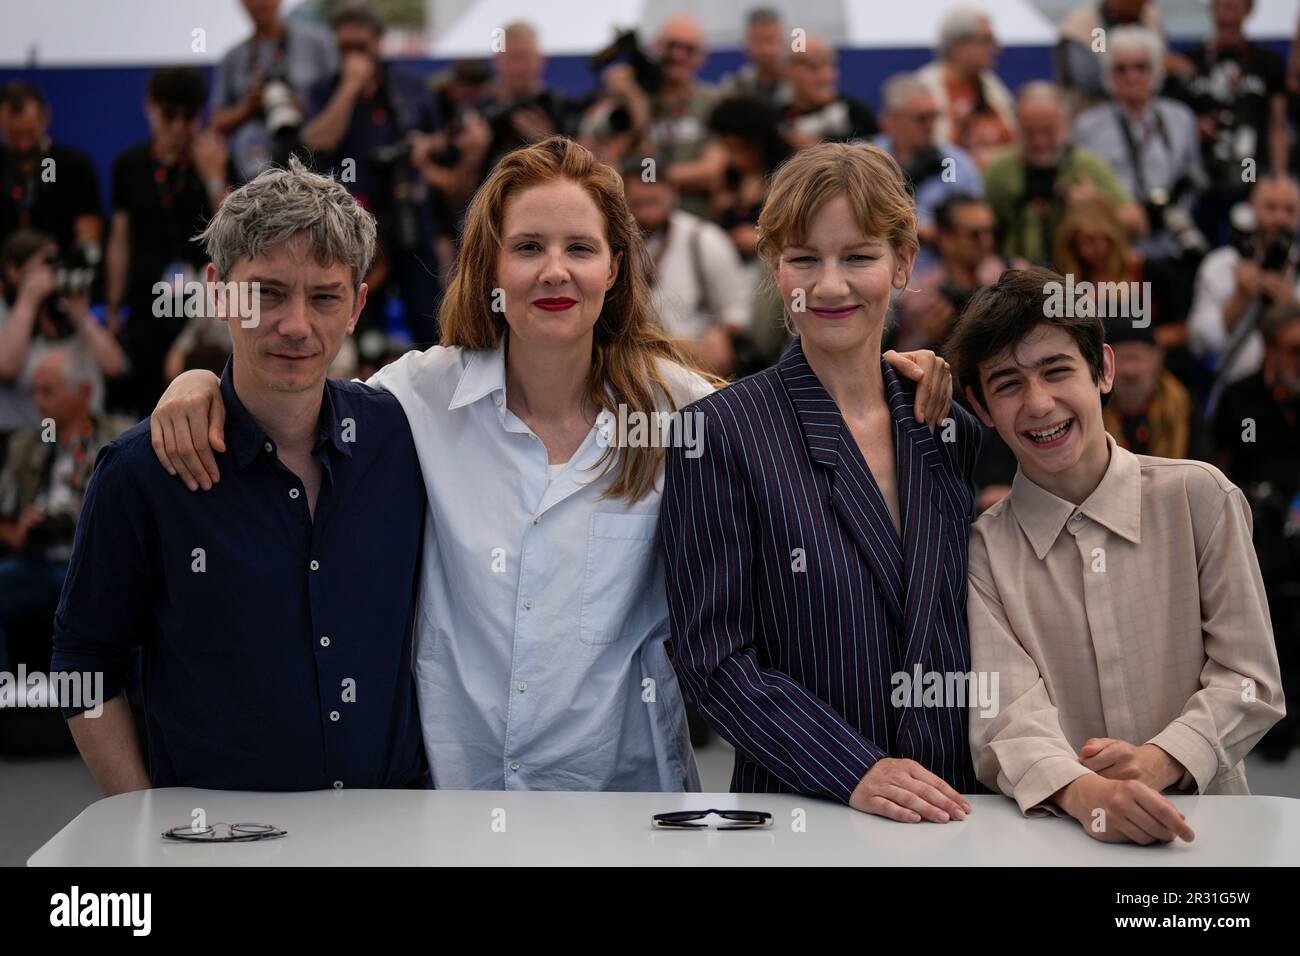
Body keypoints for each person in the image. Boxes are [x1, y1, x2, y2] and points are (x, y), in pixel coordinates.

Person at [147, 136, 951, 792]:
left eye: (580, 247)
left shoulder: (686, 410)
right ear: (491, 270)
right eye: (528, 247)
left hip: (626, 811)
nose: (555, 270)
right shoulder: (419, 400)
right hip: (452, 811)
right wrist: (195, 382)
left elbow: (799, 400)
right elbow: (294, 390)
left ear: (616, 268)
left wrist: (885, 369)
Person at [51, 157, 427, 795]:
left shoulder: (404, 436)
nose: (295, 325)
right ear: (218, 291)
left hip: (393, 834)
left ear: (358, 304)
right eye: (266, 292)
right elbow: (83, 664)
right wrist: (138, 816)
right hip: (216, 848)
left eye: (325, 296)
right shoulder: (142, 473)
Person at [660, 142, 977, 822]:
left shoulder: (945, 423)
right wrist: (853, 768)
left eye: (858, 257)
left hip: (958, 812)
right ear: (775, 267)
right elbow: (712, 658)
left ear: (903, 263)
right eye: (805, 258)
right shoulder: (719, 434)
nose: (830, 286)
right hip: (804, 814)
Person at [949, 267, 1284, 844]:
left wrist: (1163, 758)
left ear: (1103, 369)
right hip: (1058, 836)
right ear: (979, 407)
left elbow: (1249, 679)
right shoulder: (983, 550)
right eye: (1006, 384)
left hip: (1208, 835)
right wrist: (1086, 795)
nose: (1039, 403)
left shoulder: (1200, 497)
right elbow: (1006, 716)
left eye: (1057, 370)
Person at [105, 67, 232, 416]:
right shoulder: (129, 165)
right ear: (151, 107)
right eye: (170, 115)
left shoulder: (215, 160)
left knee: (200, 397)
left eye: (189, 116)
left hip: (200, 307)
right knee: (146, 402)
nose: (178, 126)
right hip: (146, 298)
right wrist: (114, 308)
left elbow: (234, 234)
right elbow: (120, 239)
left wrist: (214, 177)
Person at [0, 347, 130, 674]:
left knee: (141, 598)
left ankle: (135, 706)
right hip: (40, 562)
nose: (38, 402)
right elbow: (4, 518)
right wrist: (21, 531)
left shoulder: (121, 438)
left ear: (83, 393)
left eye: (48, 392)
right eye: (35, 392)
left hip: (98, 565)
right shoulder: (26, 445)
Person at [1071, 26, 1207, 263]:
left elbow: (1195, 179)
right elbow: (1083, 192)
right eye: (1121, 69)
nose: (1131, 76)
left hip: (1173, 243)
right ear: (1108, 76)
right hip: (1112, 248)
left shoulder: (1181, 118)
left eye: (1140, 67)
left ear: (1156, 71)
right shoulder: (1088, 126)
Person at [983, 82, 1143, 266]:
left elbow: (1137, 224)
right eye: (1030, 132)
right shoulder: (1000, 169)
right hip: (1016, 277)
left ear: (1066, 126)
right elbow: (977, 227)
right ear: (1016, 127)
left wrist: (1095, 207)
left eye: (1048, 131)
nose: (1040, 142)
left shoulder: (1086, 165)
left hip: (1075, 278)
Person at [1172, 0, 1291, 247]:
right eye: (1220, 6)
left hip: (1250, 170)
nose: (1226, 13)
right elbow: (1173, 119)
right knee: (1199, 244)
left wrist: (1278, 176)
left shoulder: (1267, 63)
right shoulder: (1189, 61)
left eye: (1233, 6)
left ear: (1248, 10)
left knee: (1249, 241)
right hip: (1201, 175)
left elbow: (1277, 125)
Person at [620, 157, 752, 378]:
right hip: (635, 358)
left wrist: (723, 333)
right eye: (638, 204)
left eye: (653, 201)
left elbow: (738, 309)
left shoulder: (704, 238)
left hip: (694, 359)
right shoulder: (616, 244)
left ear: (671, 192)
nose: (647, 212)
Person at [1189, 174, 1300, 409]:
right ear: (1250, 211)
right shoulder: (1221, 266)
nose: (1280, 218)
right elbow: (1198, 344)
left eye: (1290, 210)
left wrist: (1291, 306)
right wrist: (1240, 299)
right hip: (1234, 398)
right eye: (1271, 208)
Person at [208, 0, 337, 182]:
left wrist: (305, 108)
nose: (259, 4)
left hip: (314, 159)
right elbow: (216, 121)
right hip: (254, 170)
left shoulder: (318, 43)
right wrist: (246, 108)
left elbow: (340, 101)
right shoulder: (233, 57)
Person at [875, 73, 983, 250]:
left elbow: (977, 223)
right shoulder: (867, 160)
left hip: (944, 265)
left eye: (934, 117)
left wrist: (940, 234)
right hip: (880, 260)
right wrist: (915, 228)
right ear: (891, 120)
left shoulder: (957, 162)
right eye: (921, 118)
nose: (930, 125)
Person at [0, 81, 103, 260]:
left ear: (45, 118)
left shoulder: (74, 166)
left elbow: (88, 238)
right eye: (14, 136)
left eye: (30, 134)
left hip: (60, 276)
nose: (23, 146)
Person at [914, 6, 1016, 156]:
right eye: (986, 40)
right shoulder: (924, 89)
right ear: (958, 45)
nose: (996, 48)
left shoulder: (993, 86)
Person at [718, 7, 791, 110]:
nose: (766, 50)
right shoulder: (734, 87)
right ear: (746, 45)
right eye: (759, 41)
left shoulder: (798, 86)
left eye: (771, 41)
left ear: (784, 43)